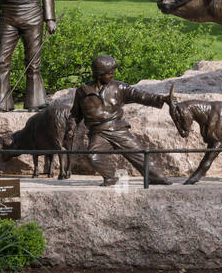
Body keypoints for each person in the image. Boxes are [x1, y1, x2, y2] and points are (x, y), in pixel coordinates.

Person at [71, 55, 172, 186]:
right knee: (93, 156)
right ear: (99, 74)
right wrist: (70, 128)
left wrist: (162, 99)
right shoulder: (82, 92)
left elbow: (141, 96)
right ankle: (111, 177)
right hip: (98, 132)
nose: (112, 75)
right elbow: (75, 115)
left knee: (138, 153)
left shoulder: (119, 87)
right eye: (109, 73)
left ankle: (156, 177)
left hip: (117, 128)